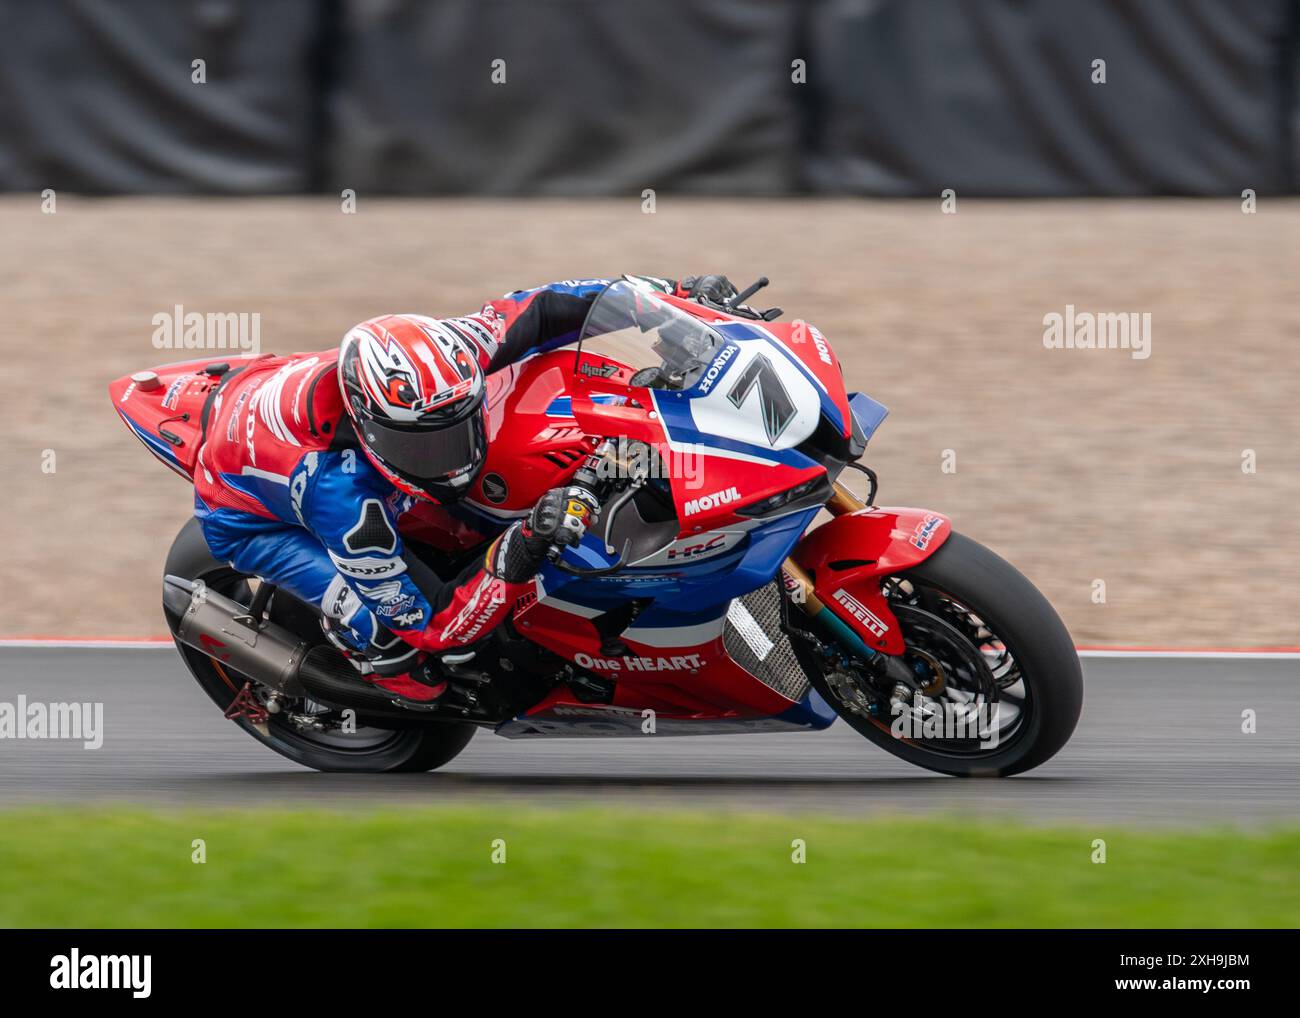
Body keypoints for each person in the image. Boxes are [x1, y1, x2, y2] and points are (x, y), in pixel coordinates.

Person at [193, 274, 736, 705]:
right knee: (408, 653)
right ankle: (374, 682)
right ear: (371, 429)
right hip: (252, 518)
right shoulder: (342, 496)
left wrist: (675, 296)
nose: (449, 459)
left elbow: (553, 304)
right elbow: (437, 625)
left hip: (287, 405)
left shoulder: (452, 356)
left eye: (458, 427)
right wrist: (523, 543)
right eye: (426, 446)